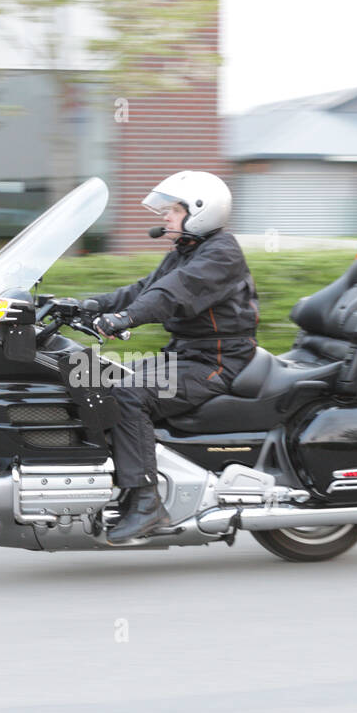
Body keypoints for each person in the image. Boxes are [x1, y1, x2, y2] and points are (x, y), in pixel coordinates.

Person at [85, 171, 259, 543]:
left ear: (199, 212)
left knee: (128, 393)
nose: (164, 216)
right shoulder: (187, 250)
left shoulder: (221, 253)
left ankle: (147, 504)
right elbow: (143, 289)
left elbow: (173, 293)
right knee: (96, 380)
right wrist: (84, 306)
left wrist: (125, 319)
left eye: (173, 209)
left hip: (216, 363)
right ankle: (115, 489)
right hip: (185, 355)